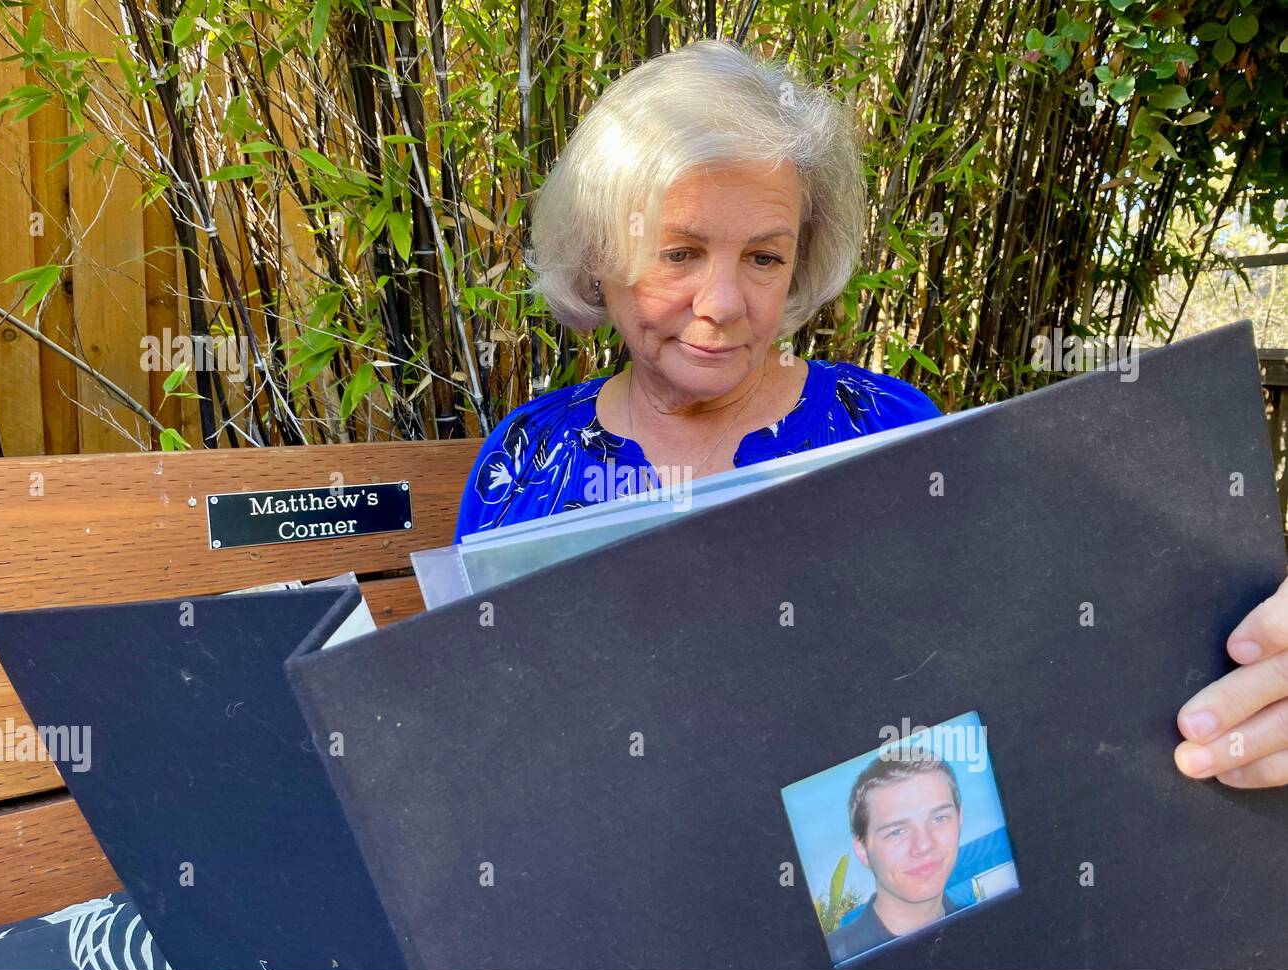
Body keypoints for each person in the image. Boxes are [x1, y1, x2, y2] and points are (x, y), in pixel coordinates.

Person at [452, 37, 1288, 792]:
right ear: (601, 256)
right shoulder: (530, 460)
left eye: (764, 257)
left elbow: (1011, 665)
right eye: (680, 252)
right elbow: (473, 733)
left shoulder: (886, 428)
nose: (723, 303)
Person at [827, 757, 966, 960]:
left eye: (939, 818)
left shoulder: (996, 929)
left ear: (959, 819)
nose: (924, 845)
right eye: (897, 832)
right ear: (863, 851)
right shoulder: (834, 957)